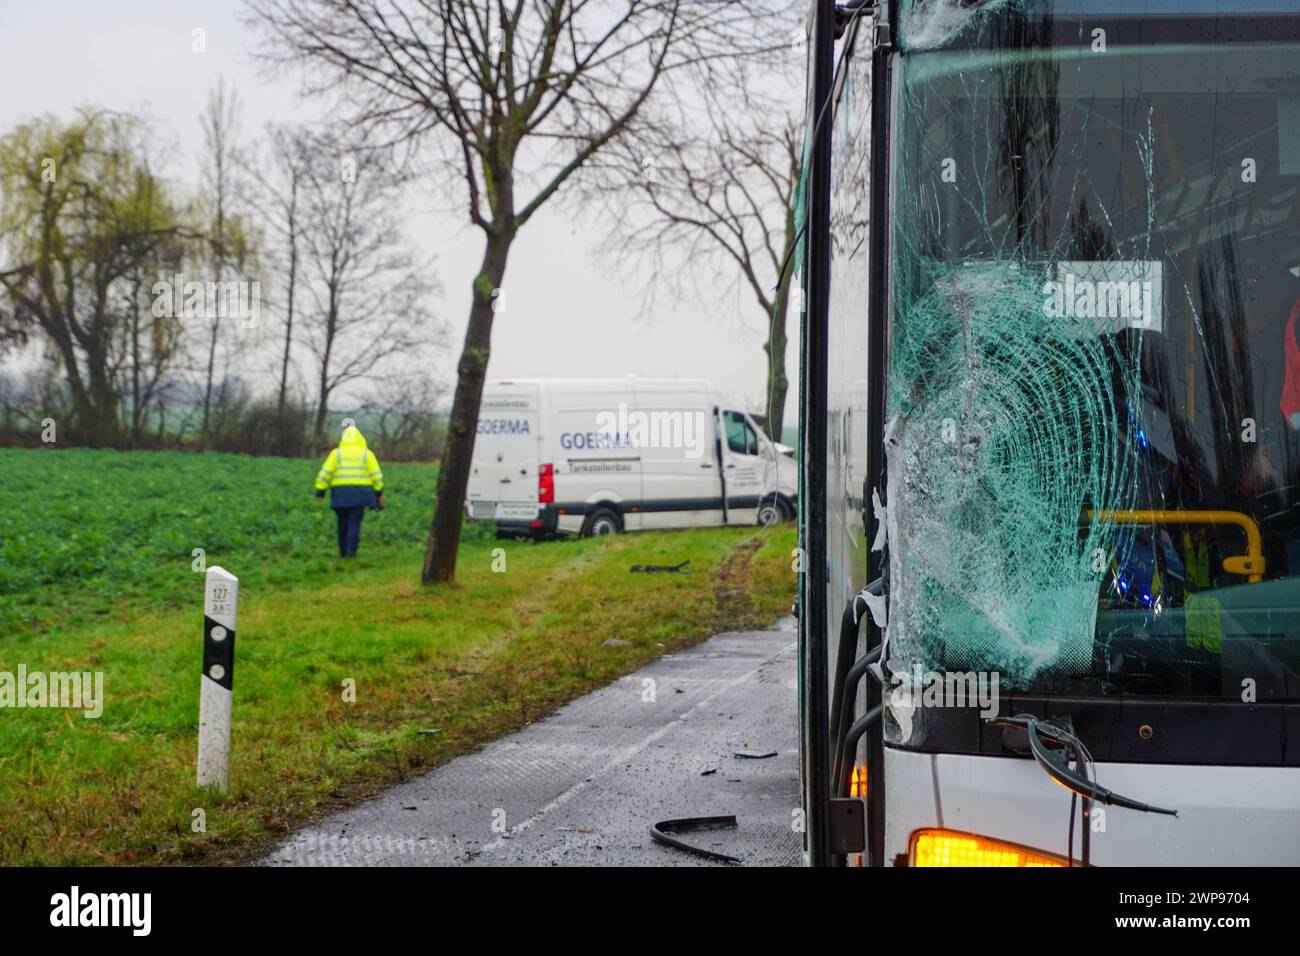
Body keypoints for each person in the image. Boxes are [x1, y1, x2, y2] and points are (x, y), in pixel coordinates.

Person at [315, 424, 384, 558]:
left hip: (340, 494)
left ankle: (342, 552)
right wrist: (379, 493)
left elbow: (325, 474)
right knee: (354, 522)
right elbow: (376, 476)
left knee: (342, 523)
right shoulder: (367, 454)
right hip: (359, 494)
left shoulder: (336, 453)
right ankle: (351, 551)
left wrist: (320, 491)